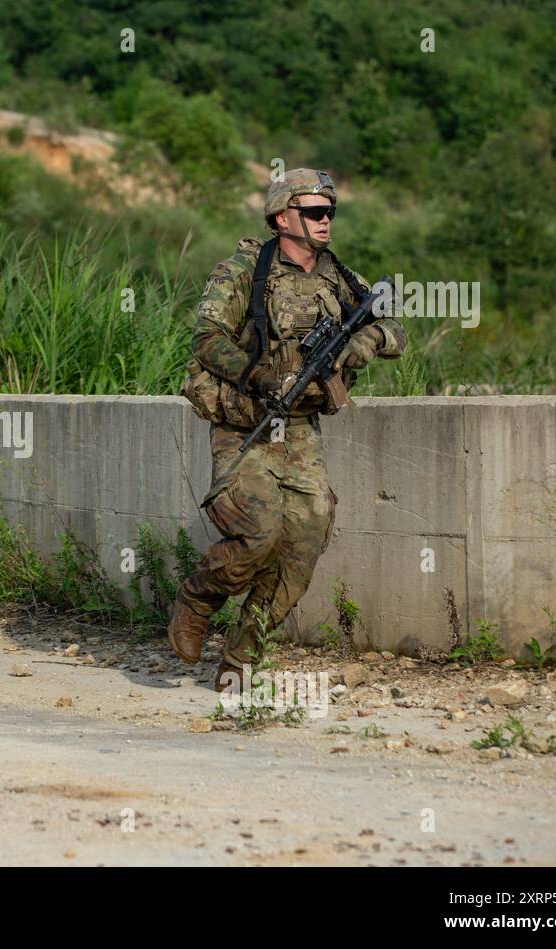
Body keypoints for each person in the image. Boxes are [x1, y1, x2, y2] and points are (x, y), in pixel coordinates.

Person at [171, 169, 406, 689]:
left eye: (330, 212)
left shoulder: (341, 279)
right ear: (282, 216)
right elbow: (206, 338)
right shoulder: (242, 271)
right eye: (315, 212)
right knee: (258, 534)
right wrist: (256, 374)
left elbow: (395, 326)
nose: (326, 222)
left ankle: (241, 656)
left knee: (304, 544)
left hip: (301, 432)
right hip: (248, 421)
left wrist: (366, 342)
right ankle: (199, 597)